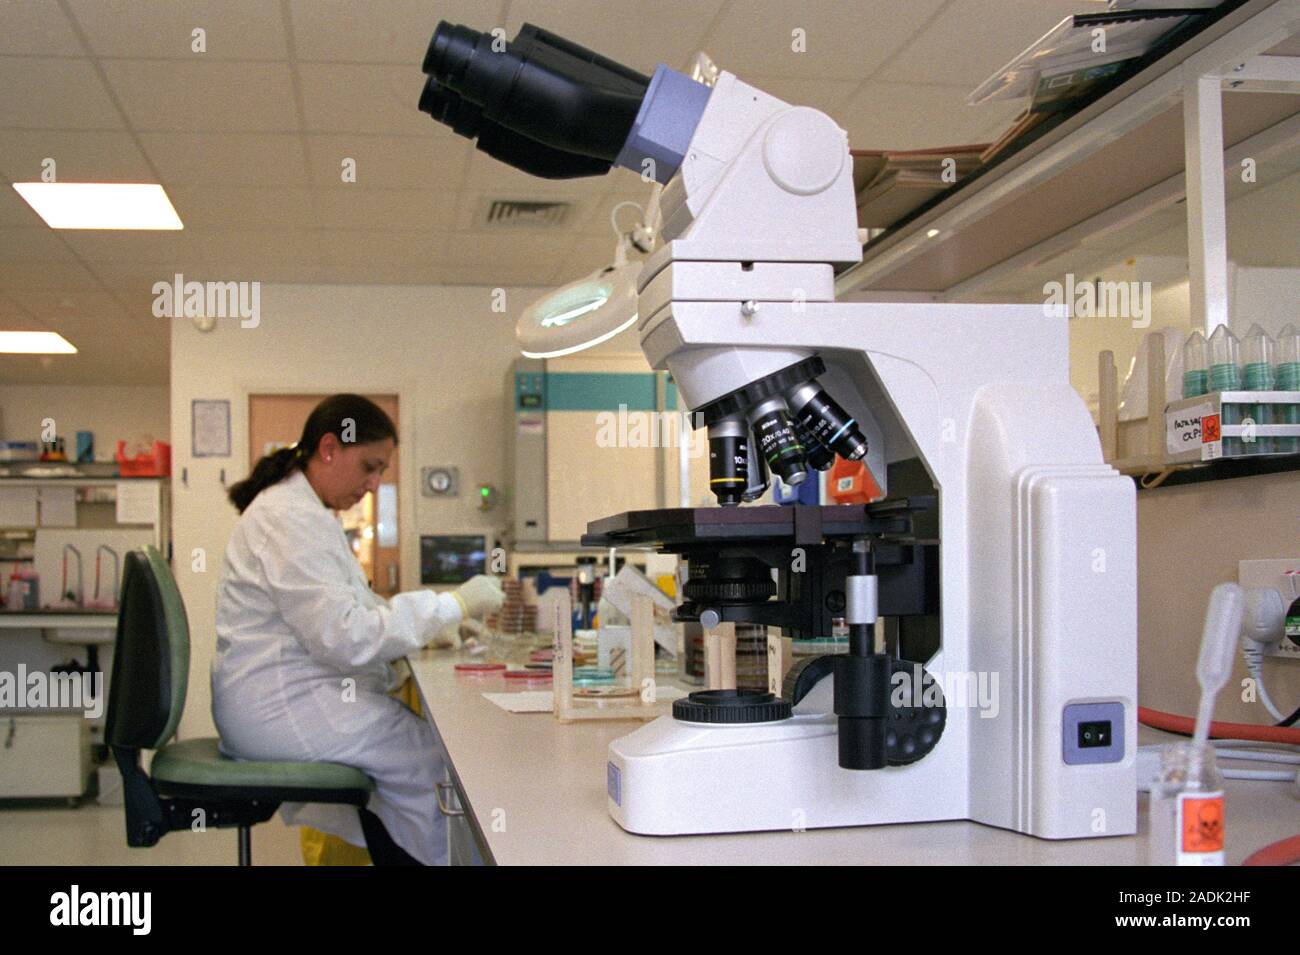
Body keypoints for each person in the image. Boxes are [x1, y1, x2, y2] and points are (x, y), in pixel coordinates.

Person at [211, 394, 503, 865]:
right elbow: (345, 635)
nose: (373, 484)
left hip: (287, 699)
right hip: (280, 707)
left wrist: (433, 626)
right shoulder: (288, 518)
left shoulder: (305, 514)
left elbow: (358, 610)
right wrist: (452, 603)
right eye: (370, 467)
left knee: (415, 766)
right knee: (433, 764)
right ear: (329, 448)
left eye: (380, 471)